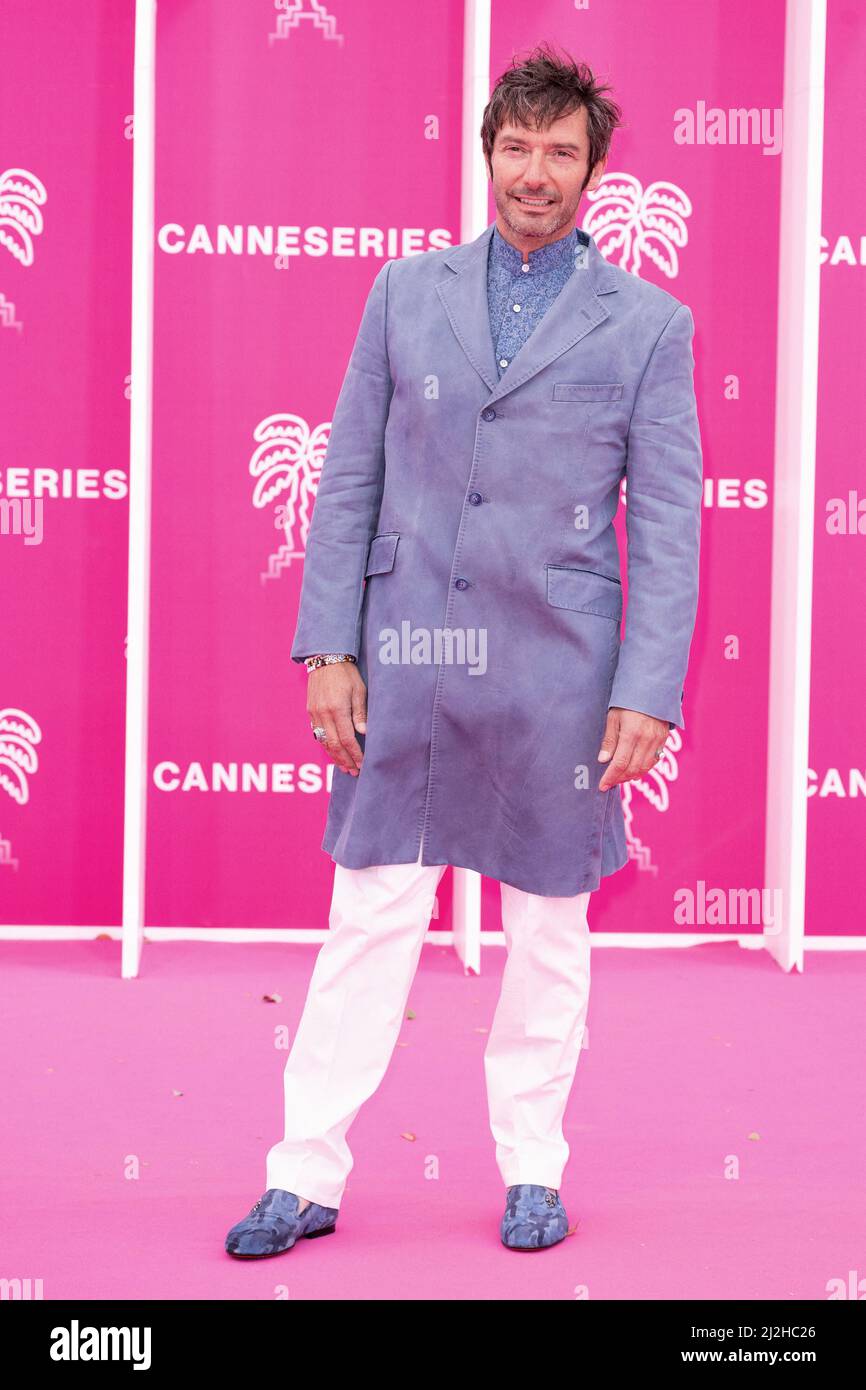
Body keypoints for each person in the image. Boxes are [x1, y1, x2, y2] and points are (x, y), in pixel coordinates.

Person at [226, 42, 702, 1258]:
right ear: (486, 153)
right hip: (408, 657)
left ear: (591, 171)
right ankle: (302, 1173)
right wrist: (326, 644)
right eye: (515, 145)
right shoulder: (405, 290)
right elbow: (348, 481)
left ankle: (532, 1169)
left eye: (559, 151)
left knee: (550, 930)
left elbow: (667, 518)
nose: (533, 170)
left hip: (558, 673)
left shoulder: (649, 325)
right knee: (368, 917)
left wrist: (646, 689)